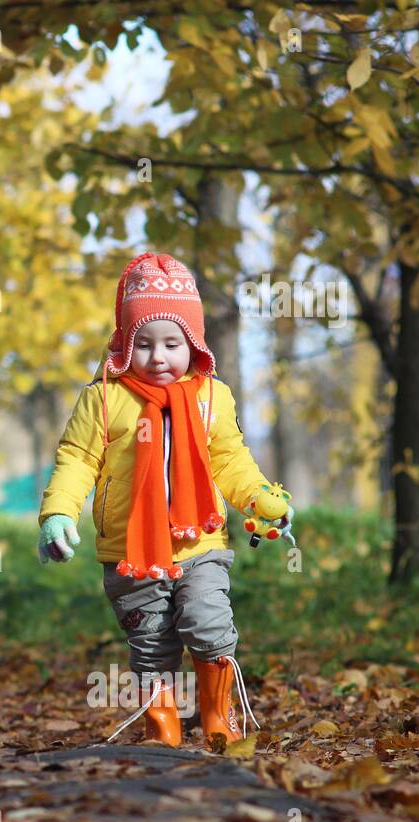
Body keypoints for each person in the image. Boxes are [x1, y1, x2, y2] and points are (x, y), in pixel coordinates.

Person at [36, 252, 295, 747]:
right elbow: (76, 459)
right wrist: (57, 513)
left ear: (193, 344)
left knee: (209, 626)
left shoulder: (210, 397)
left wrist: (261, 500)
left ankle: (219, 719)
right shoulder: (105, 398)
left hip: (200, 544)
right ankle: (164, 730)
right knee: (152, 644)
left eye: (172, 344)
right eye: (144, 344)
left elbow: (231, 461)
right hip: (132, 552)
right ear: (124, 344)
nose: (159, 357)